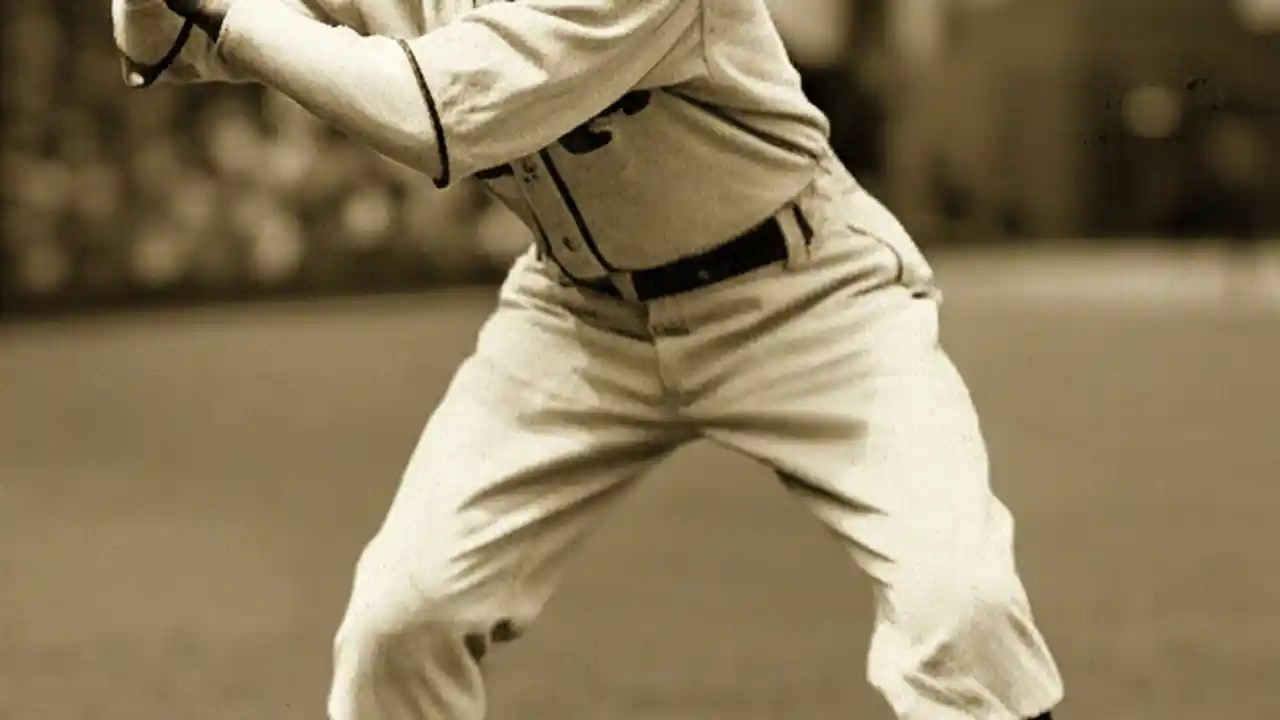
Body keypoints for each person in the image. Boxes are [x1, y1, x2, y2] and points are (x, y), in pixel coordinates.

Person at [112, 1, 1065, 718]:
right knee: (401, 619)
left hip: (805, 295)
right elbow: (160, 46)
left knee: (962, 606)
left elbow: (431, 112)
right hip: (579, 312)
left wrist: (232, 11)